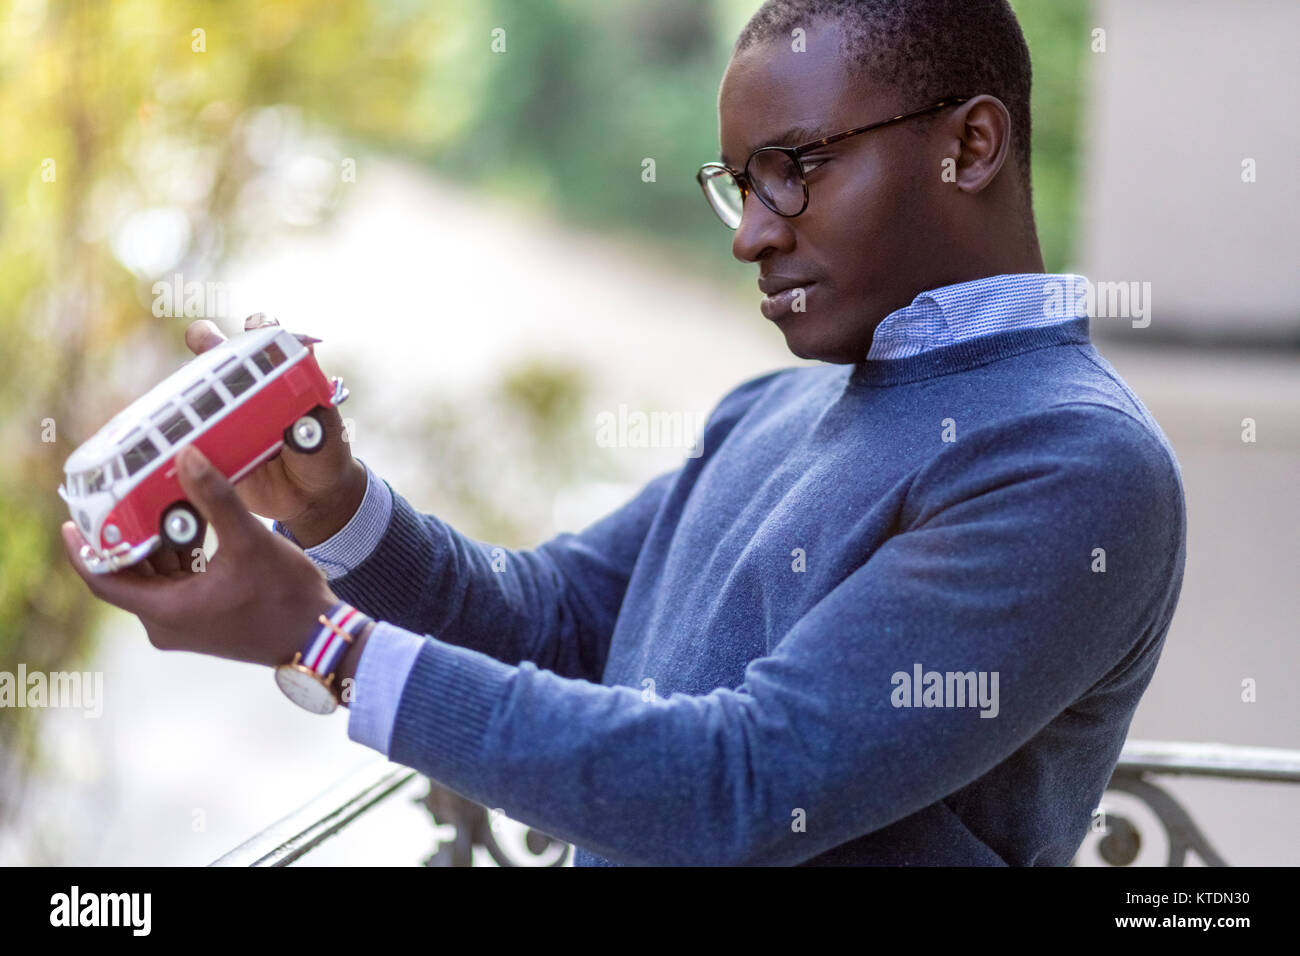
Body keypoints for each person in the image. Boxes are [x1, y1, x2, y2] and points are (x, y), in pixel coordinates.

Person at [63, 0, 1186, 866]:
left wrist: (323, 643)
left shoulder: (1075, 466)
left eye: (792, 170)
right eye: (739, 183)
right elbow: (548, 619)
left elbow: (738, 784)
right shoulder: (776, 404)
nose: (749, 236)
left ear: (971, 145)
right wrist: (332, 509)